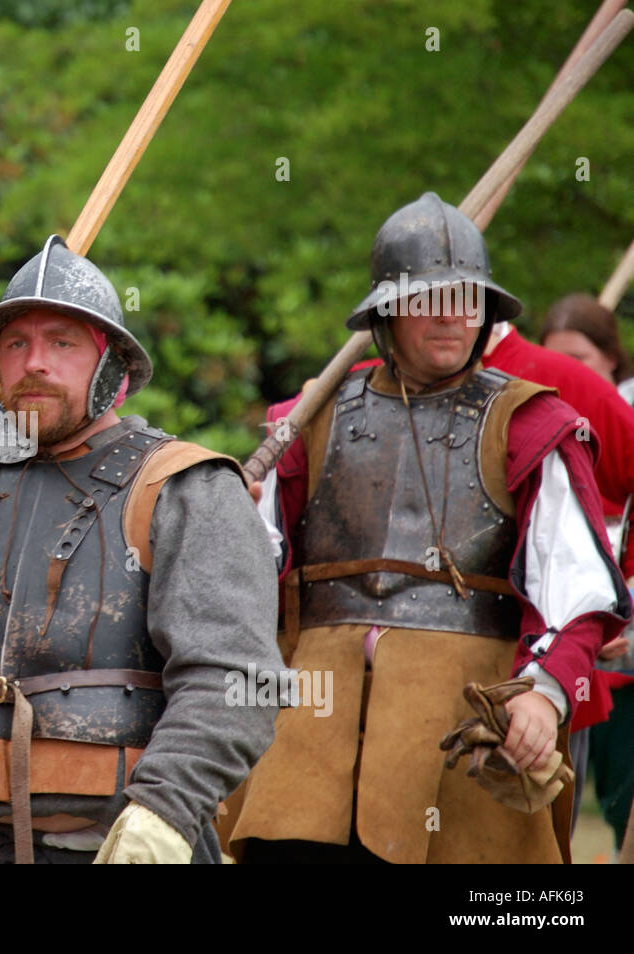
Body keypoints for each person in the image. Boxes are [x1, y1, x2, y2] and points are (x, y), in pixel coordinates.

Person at [230, 192, 630, 863]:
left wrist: (543, 695)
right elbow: (246, 579)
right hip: (308, 744)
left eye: (467, 297)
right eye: (428, 298)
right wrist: (225, 522)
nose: (451, 315)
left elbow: (581, 592)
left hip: (462, 736)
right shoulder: (308, 419)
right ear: (387, 312)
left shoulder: (531, 423)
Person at [0, 235, 282, 864]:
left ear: (111, 367)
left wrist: (162, 813)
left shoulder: (186, 486)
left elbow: (239, 680)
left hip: (116, 846)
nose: (35, 362)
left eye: (63, 342)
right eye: (16, 343)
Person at [539, 292, 634, 852]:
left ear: (611, 360)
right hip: (564, 648)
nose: (566, 375)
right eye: (557, 360)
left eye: (579, 360)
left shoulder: (620, 417)